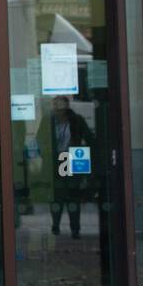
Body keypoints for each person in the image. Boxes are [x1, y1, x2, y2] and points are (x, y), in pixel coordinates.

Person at [35, 95, 95, 239]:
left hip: (72, 157)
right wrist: (46, 154)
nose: (58, 108)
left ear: (67, 106)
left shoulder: (76, 120)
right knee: (57, 195)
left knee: (73, 195)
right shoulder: (48, 121)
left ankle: (75, 229)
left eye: (60, 105)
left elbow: (89, 138)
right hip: (55, 159)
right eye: (55, 105)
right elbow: (40, 139)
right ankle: (55, 226)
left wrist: (83, 153)